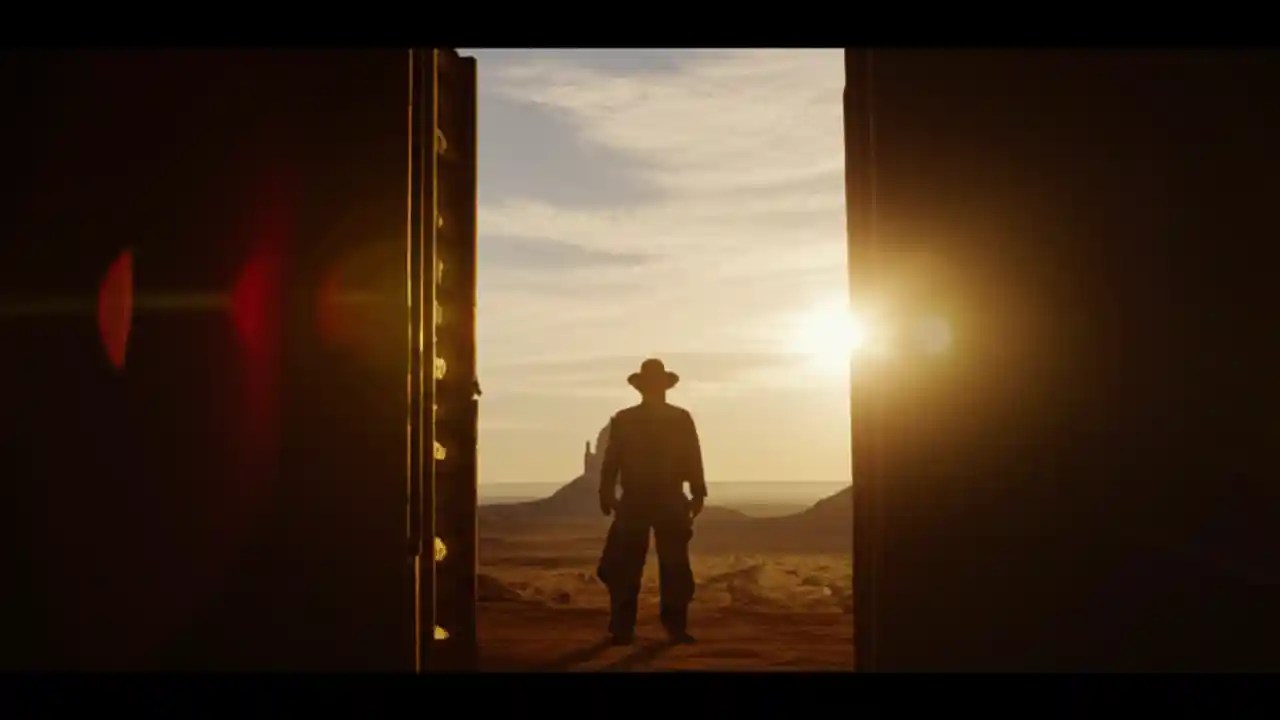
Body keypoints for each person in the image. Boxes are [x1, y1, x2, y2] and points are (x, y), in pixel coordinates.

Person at [596, 358, 706, 645]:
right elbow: (612, 460)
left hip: (655, 497)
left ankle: (652, 626)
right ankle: (633, 626)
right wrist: (606, 491)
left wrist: (698, 490)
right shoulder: (636, 419)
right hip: (648, 497)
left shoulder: (640, 419)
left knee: (666, 564)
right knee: (631, 563)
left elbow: (692, 456)